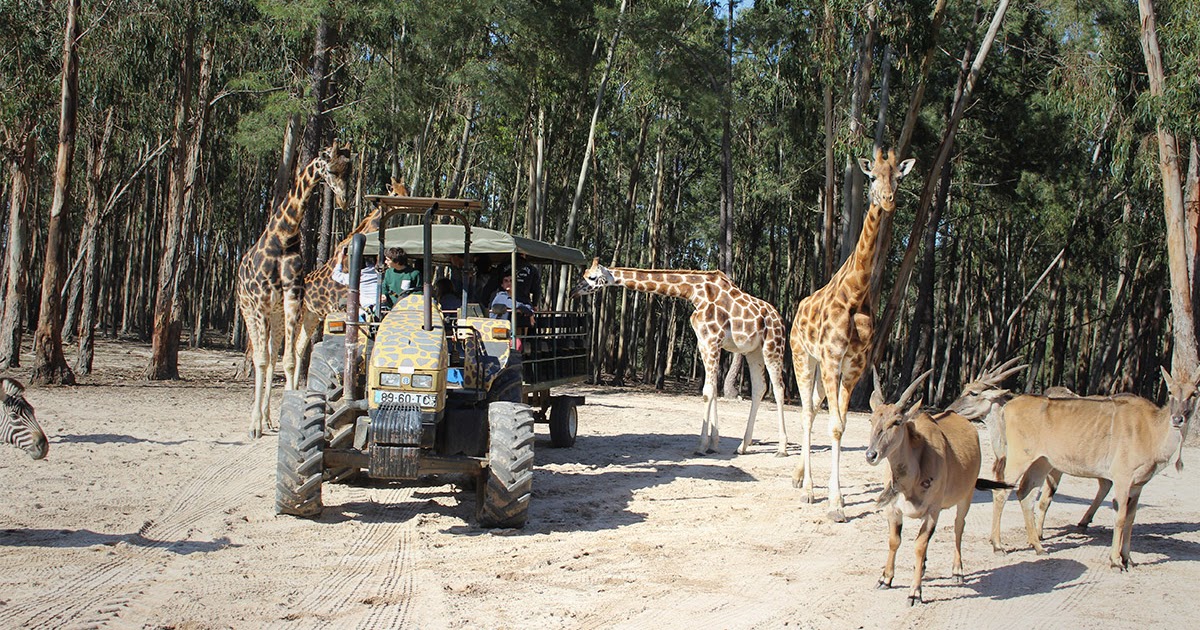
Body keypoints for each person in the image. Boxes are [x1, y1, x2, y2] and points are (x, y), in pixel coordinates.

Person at [331, 251, 380, 315]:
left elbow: (335, 275)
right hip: (382, 306)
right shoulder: (379, 273)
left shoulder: (357, 275)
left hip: (367, 309)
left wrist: (340, 260)